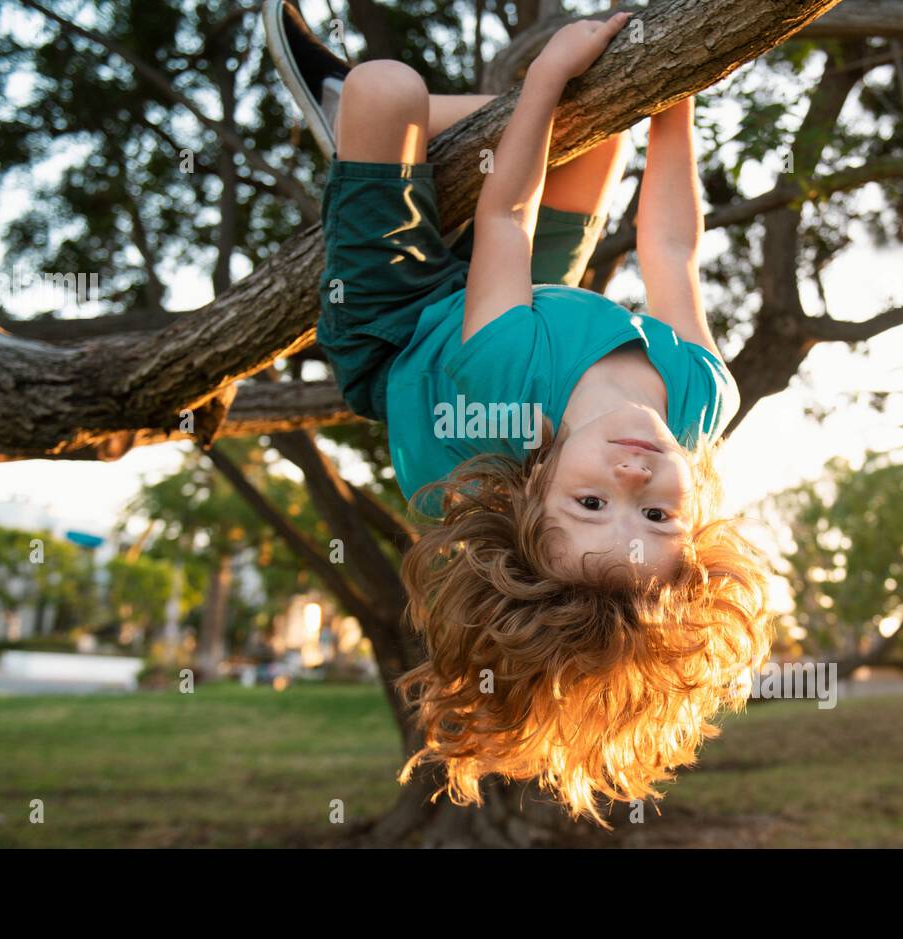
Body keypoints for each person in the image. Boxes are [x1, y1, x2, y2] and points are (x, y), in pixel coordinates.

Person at [266, 0, 771, 824]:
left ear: (531, 490)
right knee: (601, 122)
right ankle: (417, 150)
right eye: (655, 515)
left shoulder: (505, 379)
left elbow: (507, 213)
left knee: (385, 88)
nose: (634, 474)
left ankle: (356, 122)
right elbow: (673, 249)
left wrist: (542, 74)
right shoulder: (701, 395)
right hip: (526, 299)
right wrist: (677, 95)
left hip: (399, 328)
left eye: (591, 504)